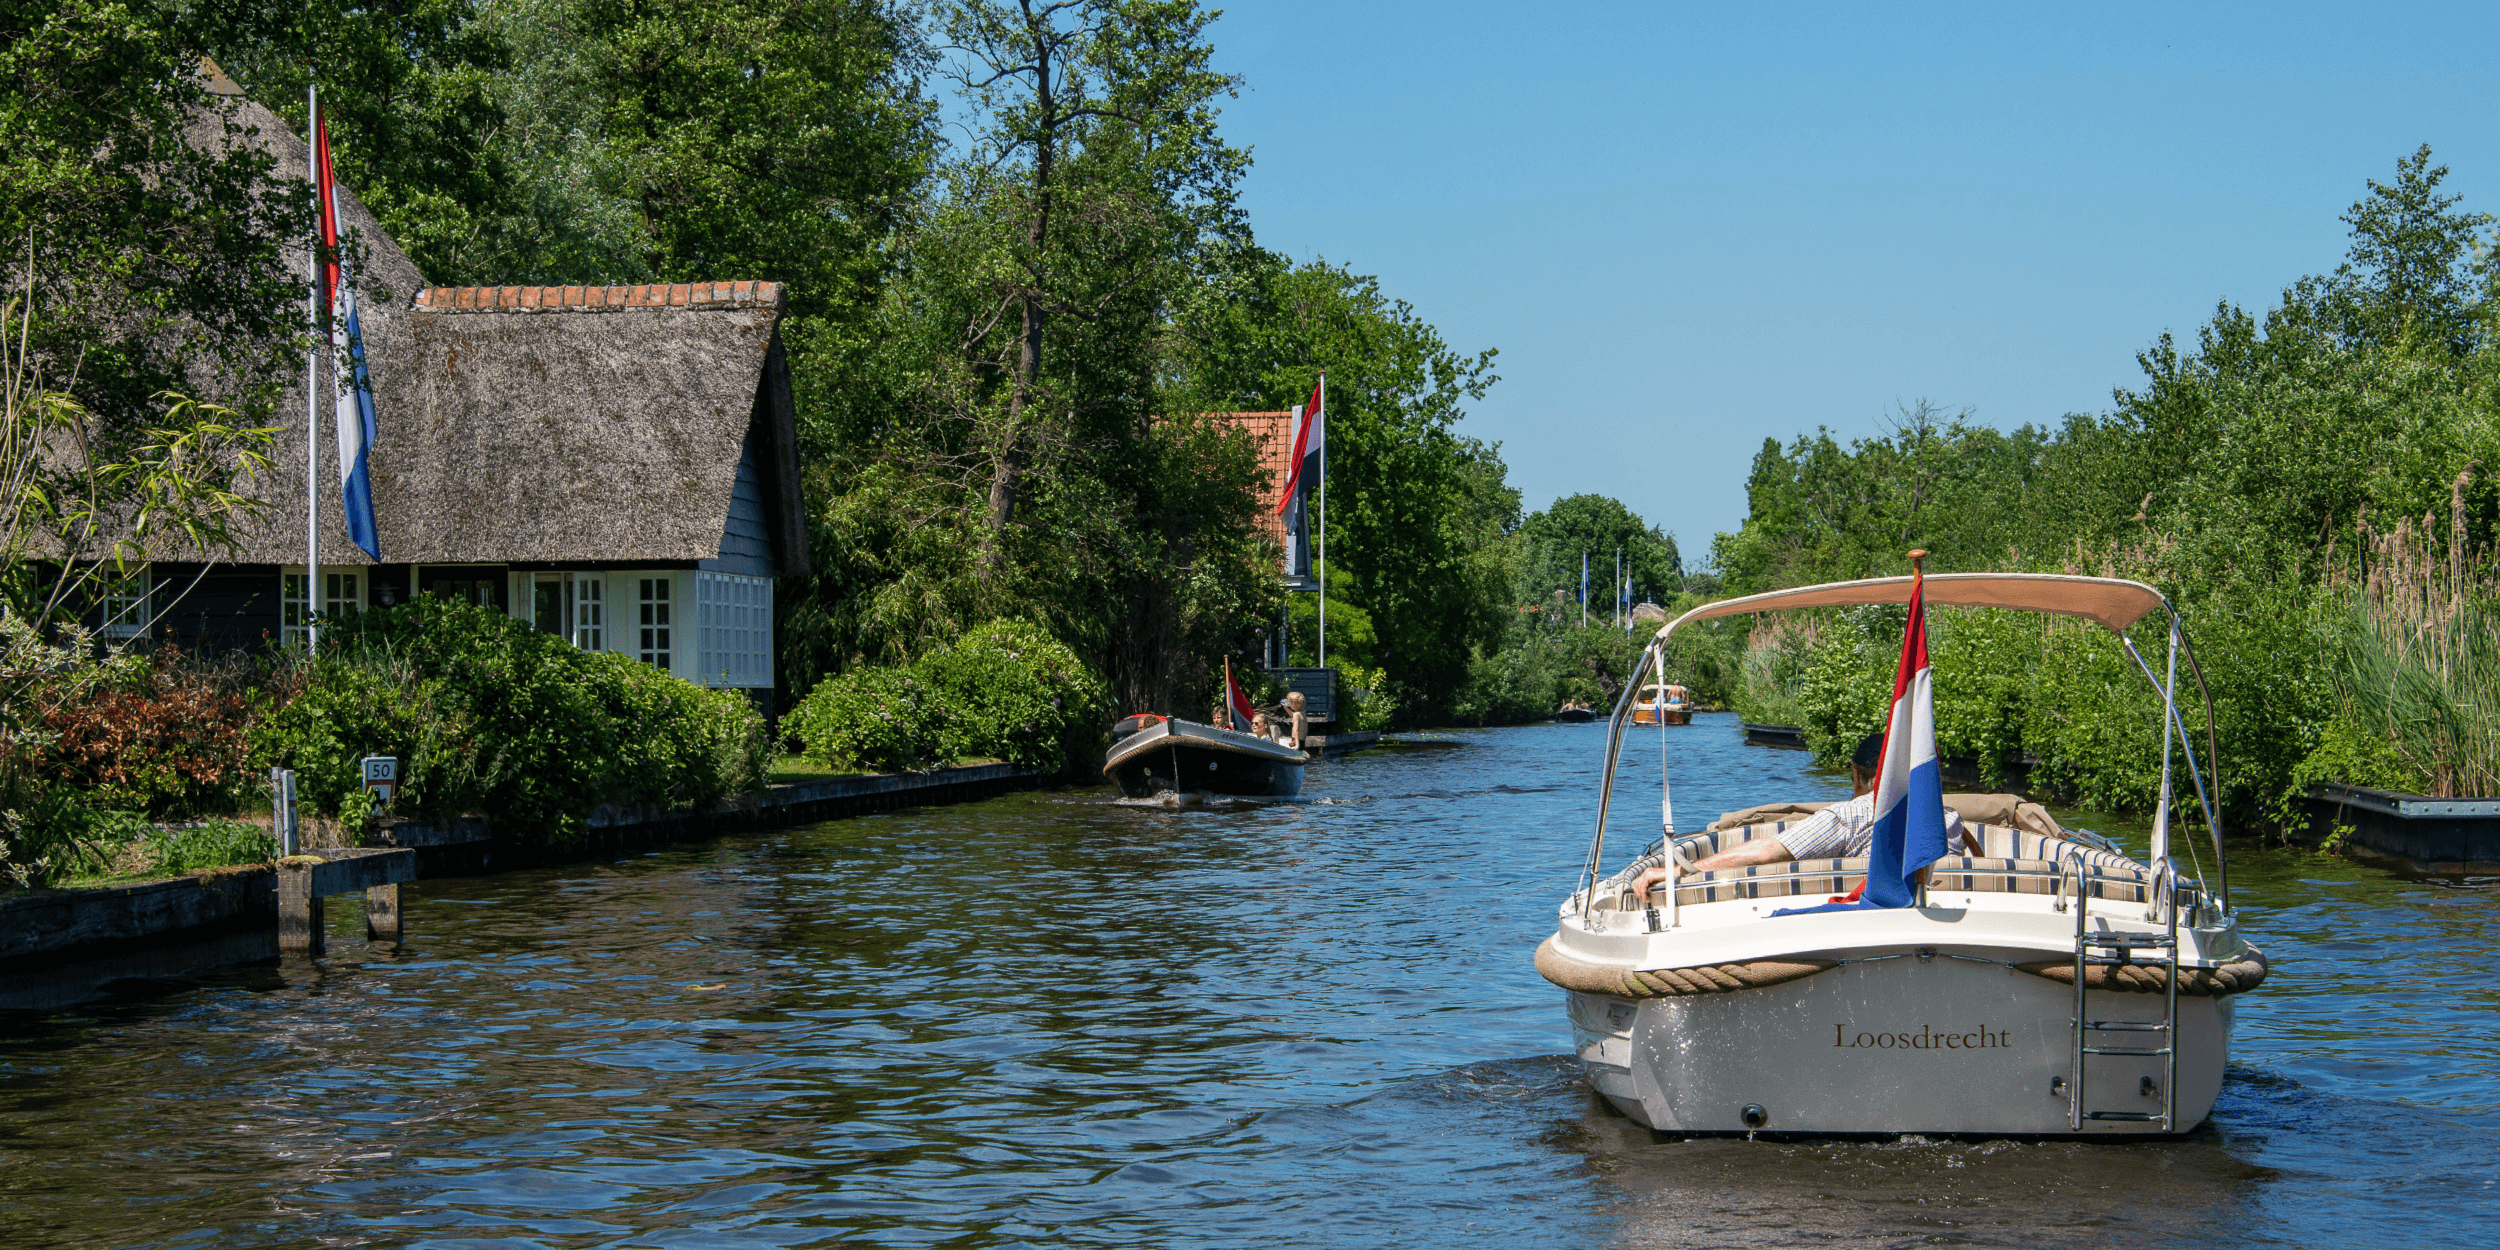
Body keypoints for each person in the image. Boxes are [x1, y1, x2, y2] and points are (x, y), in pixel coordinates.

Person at [1615, 732, 1970, 900]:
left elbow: (1766, 852)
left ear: (1856, 775)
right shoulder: (1949, 818)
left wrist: (1678, 870)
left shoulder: (1848, 817)